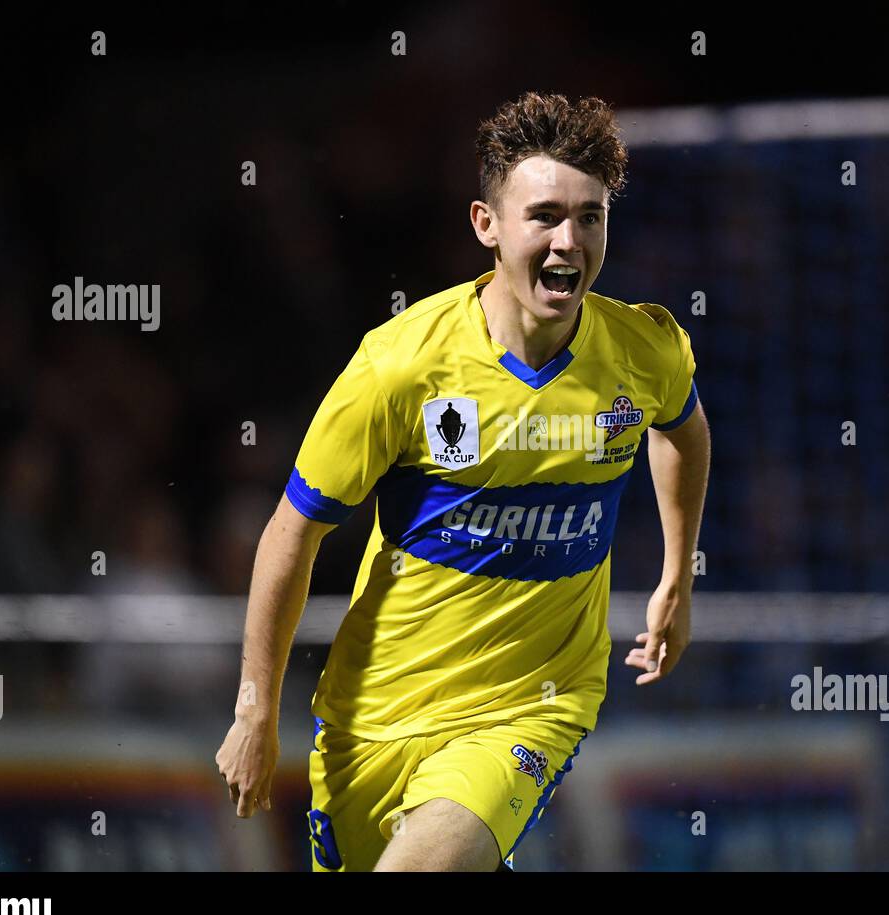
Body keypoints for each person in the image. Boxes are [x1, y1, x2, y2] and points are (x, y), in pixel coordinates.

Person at [215, 91, 710, 871]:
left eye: (590, 217)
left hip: (531, 707)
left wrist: (675, 576)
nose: (569, 240)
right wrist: (254, 709)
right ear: (486, 225)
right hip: (373, 716)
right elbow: (292, 531)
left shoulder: (641, 349)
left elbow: (682, 427)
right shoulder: (402, 365)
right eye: (544, 215)